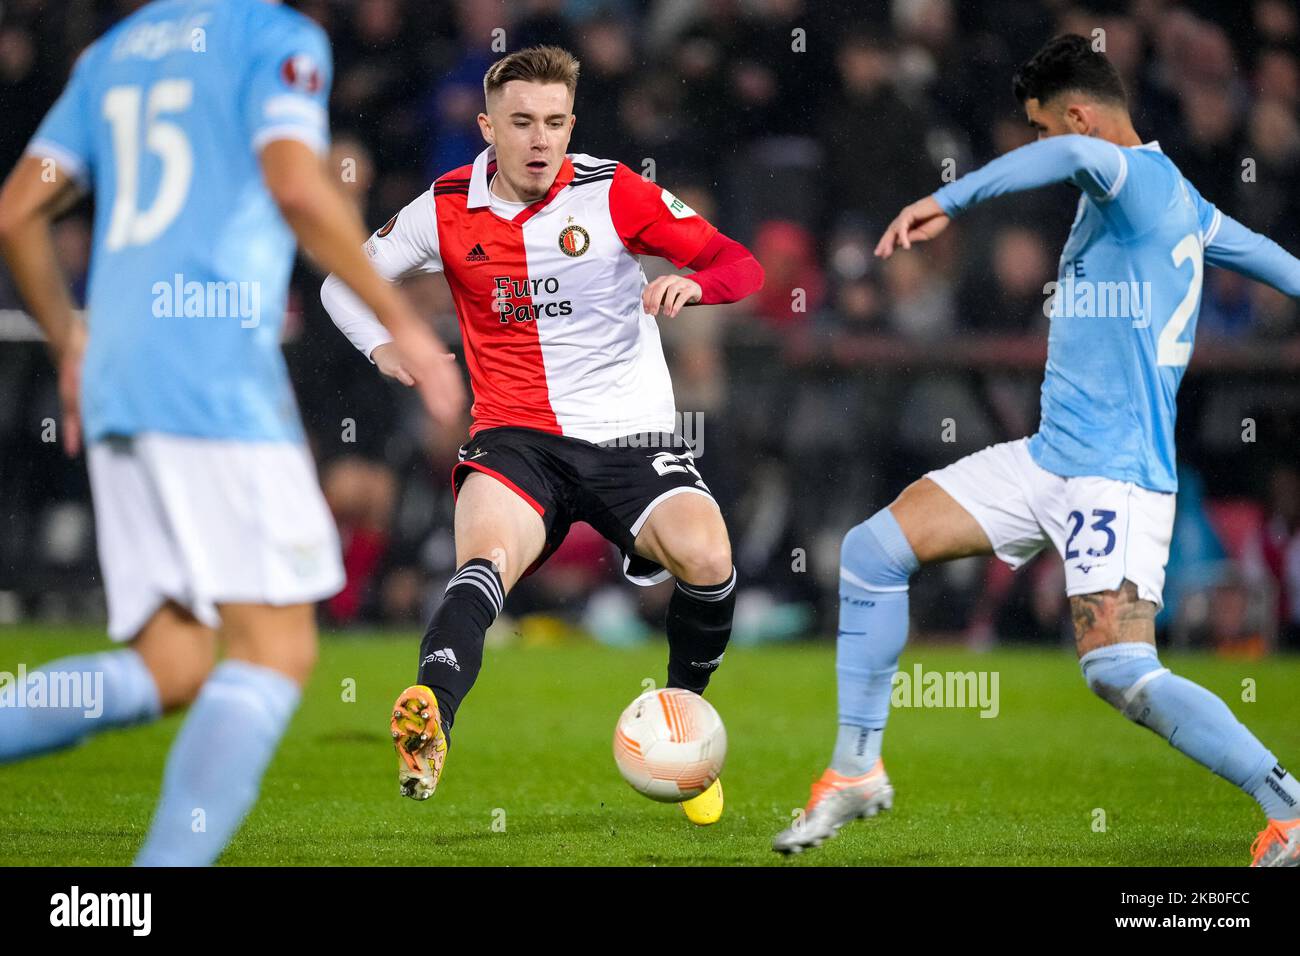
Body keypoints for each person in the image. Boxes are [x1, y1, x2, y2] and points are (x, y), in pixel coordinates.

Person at [772, 34, 1300, 866]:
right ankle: (856, 769)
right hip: (1050, 457)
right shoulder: (1188, 206)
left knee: (1116, 669)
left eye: (1043, 130)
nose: (1043, 146)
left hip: (1116, 475)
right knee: (875, 552)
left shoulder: (1130, 175)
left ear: (1080, 119)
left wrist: (953, 198)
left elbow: (1070, 159)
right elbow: (1283, 266)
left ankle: (1289, 805)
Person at [0, 0, 464, 866]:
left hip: (119, 372)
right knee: (276, 650)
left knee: (172, 664)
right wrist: (397, 316)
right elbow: (296, 183)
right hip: (210, 375)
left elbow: (16, 210)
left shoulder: (113, 53)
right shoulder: (275, 39)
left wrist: (70, 341)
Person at [321, 45, 763, 825]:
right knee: (484, 561)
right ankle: (431, 718)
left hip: (630, 439)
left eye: (554, 122)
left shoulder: (616, 193)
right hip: (515, 437)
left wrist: (693, 282)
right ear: (488, 127)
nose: (539, 140)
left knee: (710, 555)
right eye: (521, 122)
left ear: (571, 125)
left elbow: (743, 265)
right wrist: (382, 345)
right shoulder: (445, 205)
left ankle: (679, 718)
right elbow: (341, 282)